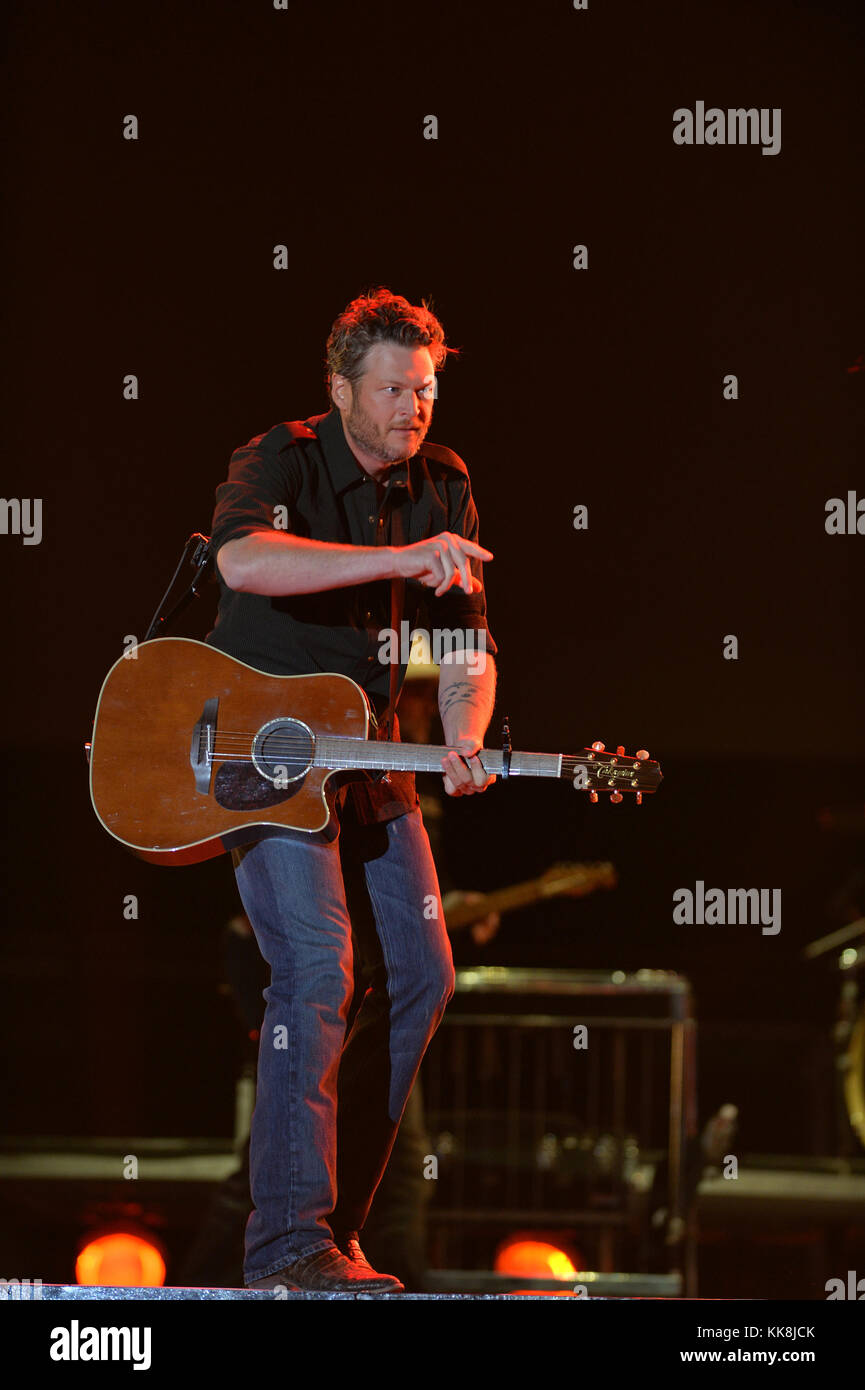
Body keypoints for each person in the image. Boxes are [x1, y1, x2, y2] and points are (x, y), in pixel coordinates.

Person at [205, 286, 498, 1292]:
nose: (414, 408)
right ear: (339, 389)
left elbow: (464, 646)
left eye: (425, 389)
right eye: (392, 389)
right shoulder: (278, 458)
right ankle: (285, 1245)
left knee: (422, 973)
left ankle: (333, 1234)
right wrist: (402, 555)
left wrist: (462, 736)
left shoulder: (442, 482)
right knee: (319, 967)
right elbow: (243, 561)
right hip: (264, 747)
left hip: (369, 753)